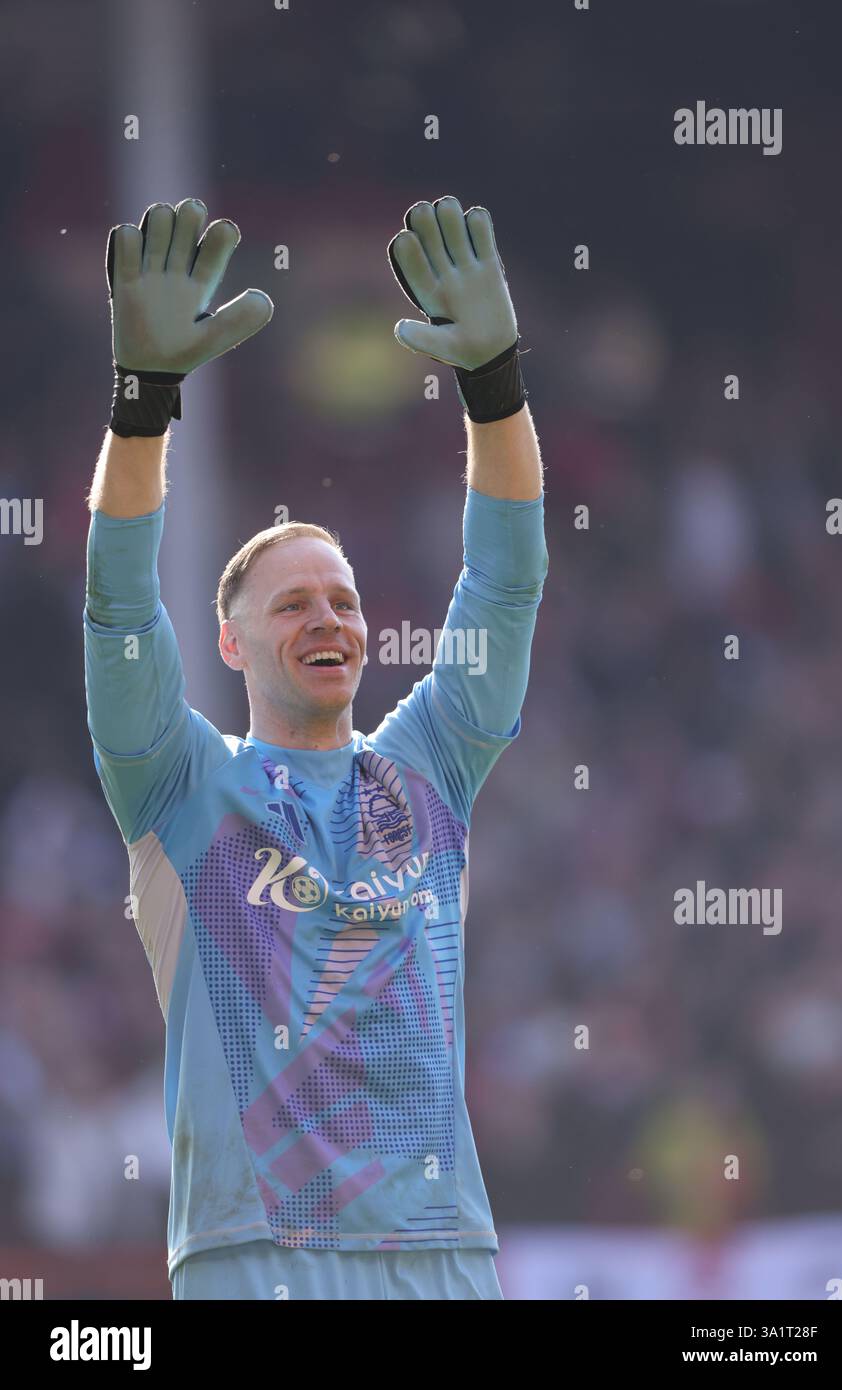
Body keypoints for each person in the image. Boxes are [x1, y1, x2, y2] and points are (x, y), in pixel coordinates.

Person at [84, 194, 548, 1299]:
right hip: (253, 1261)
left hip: (443, 1259)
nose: (329, 619)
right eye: (293, 605)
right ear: (230, 641)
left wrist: (494, 387)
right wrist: (142, 408)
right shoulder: (180, 784)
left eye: (341, 600)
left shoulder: (429, 765)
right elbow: (115, 610)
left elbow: (507, 581)